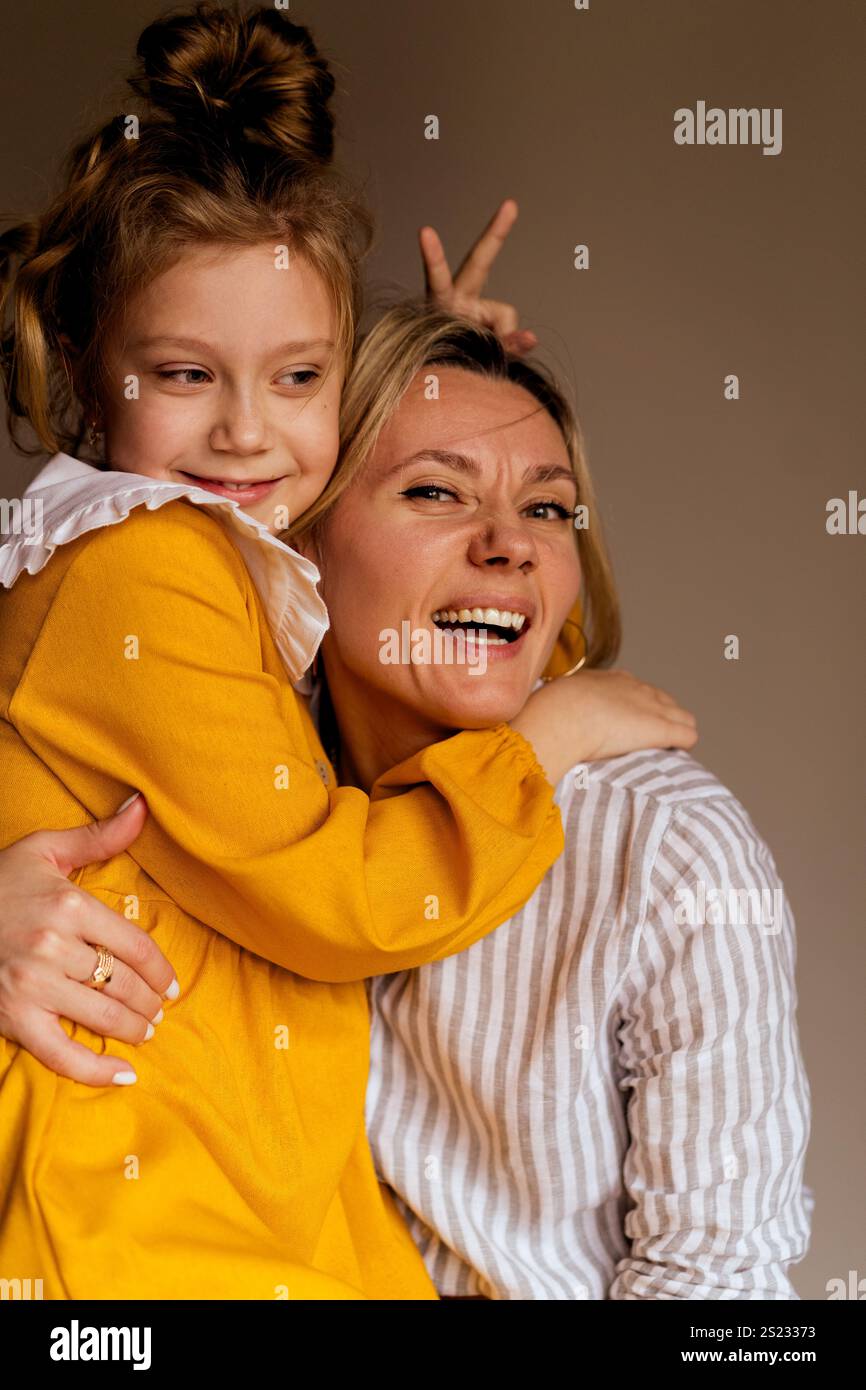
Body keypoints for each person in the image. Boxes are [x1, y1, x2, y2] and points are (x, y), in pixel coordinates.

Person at [0, 7, 696, 1299]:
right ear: (95, 381)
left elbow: (313, 575)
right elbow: (340, 895)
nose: (247, 434)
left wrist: (409, 396)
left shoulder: (223, 562)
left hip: (253, 1194)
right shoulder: (136, 564)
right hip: (133, 1214)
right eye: (185, 374)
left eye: (302, 377)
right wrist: (542, 744)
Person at [1, 298, 810, 1300]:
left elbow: (722, 1294)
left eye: (548, 508)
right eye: (435, 491)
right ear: (292, 535)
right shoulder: (237, 793)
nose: (509, 544)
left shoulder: (663, 850)